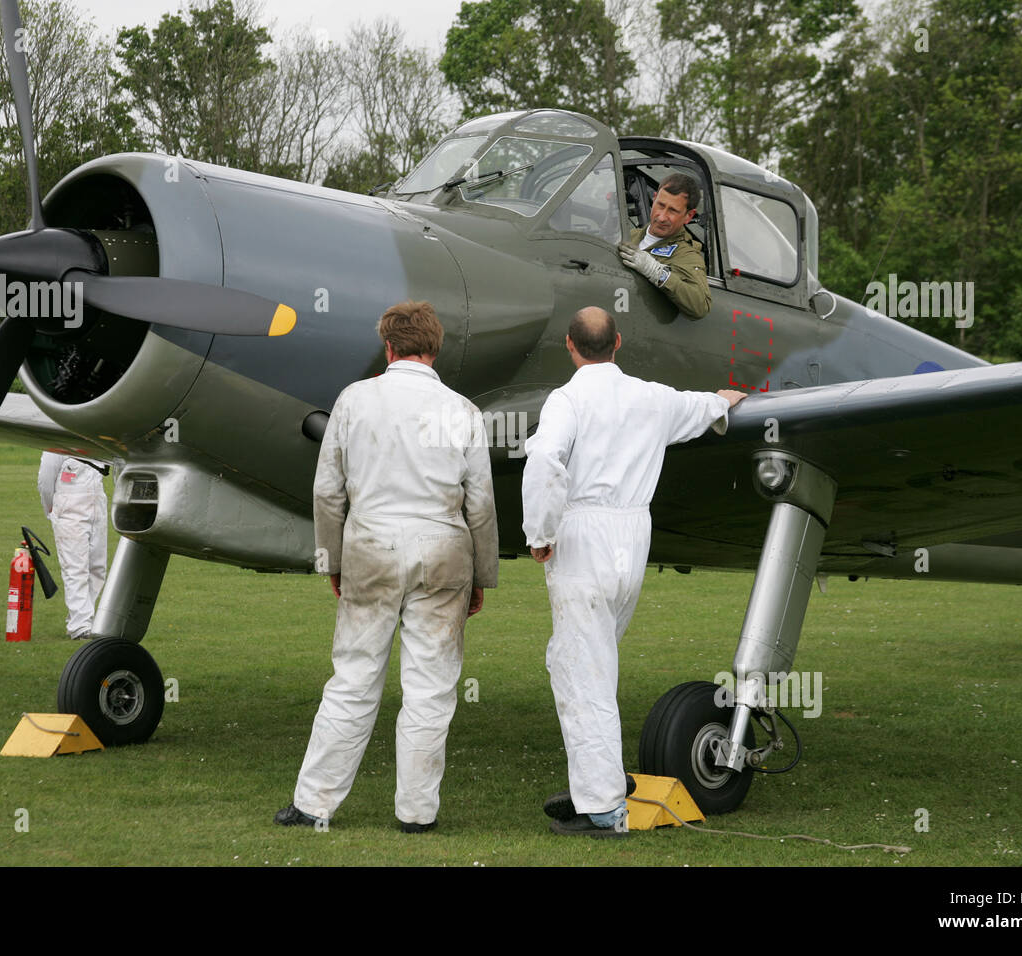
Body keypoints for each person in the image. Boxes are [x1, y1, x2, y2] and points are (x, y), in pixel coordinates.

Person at [522, 307, 746, 837]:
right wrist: (727, 399)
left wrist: (540, 533)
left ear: (571, 348)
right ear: (617, 343)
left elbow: (546, 461)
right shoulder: (652, 396)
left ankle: (604, 809)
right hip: (633, 537)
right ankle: (591, 786)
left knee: (586, 672)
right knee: (573, 661)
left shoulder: (567, 399)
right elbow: (706, 407)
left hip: (585, 536)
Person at [276, 300, 498, 833]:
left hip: (370, 546)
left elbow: (328, 492)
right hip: (443, 549)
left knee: (353, 679)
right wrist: (483, 574)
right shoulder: (462, 410)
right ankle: (416, 814)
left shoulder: (354, 400)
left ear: (389, 346)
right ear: (434, 348)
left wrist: (331, 559)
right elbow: (482, 503)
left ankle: (313, 805)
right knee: (430, 689)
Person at [618, 172, 712, 318]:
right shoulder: (629, 235)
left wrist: (657, 272)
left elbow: (700, 306)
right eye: (660, 205)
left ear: (689, 216)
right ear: (654, 198)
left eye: (673, 211)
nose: (662, 217)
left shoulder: (686, 255)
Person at [38, 452, 109, 640]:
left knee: (97, 568)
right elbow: (45, 481)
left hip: (97, 504)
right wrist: (51, 509)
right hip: (69, 508)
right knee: (75, 568)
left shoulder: (96, 436)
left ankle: (85, 618)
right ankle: (80, 625)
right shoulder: (56, 443)